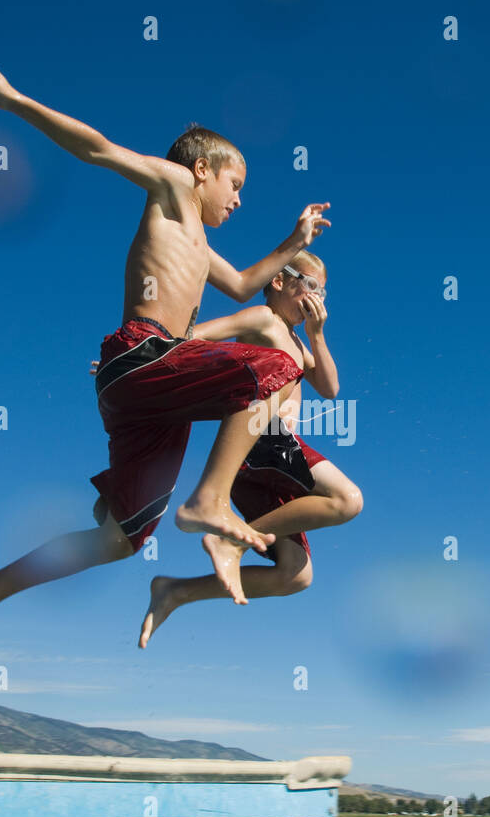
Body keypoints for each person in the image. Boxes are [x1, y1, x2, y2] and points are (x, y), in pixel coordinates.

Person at [0, 67, 330, 660]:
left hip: (150, 388)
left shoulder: (200, 242)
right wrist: (14, 101)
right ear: (202, 171)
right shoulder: (172, 187)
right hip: (143, 354)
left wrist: (293, 244)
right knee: (277, 364)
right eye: (235, 183)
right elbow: (96, 148)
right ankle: (210, 501)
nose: (239, 199)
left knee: (120, 539)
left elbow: (246, 284)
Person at [137, 250, 362, 648]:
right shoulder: (265, 319)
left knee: (295, 575)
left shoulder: (298, 341)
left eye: (322, 293)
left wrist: (317, 335)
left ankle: (176, 591)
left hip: (267, 465)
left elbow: (330, 389)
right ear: (278, 281)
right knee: (346, 499)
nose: (315, 299)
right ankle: (232, 540)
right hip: (261, 440)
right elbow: (199, 335)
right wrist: (142, 359)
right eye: (308, 286)